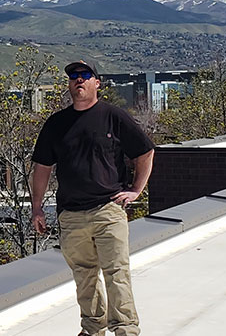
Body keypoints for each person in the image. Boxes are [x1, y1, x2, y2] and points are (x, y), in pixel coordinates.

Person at [30, 59, 155, 336]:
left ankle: (125, 330)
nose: (79, 80)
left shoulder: (114, 116)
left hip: (108, 209)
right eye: (73, 76)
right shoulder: (57, 124)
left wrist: (136, 190)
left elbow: (145, 152)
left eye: (85, 75)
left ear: (97, 82)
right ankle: (93, 328)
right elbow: (42, 167)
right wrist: (37, 208)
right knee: (84, 277)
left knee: (116, 273)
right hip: (72, 215)